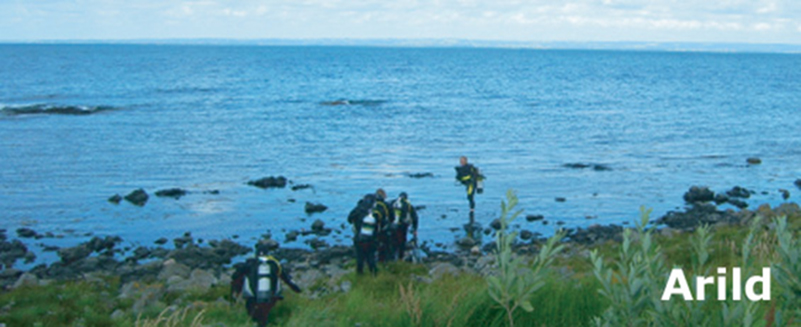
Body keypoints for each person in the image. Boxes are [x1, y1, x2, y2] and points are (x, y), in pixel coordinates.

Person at [231, 242, 302, 327]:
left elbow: (235, 276)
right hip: (271, 297)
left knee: (253, 311)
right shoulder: (274, 264)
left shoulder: (250, 263)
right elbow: (286, 278)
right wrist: (297, 290)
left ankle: (254, 318)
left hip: (253, 297)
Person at [348, 193, 379, 275]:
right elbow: (379, 224)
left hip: (359, 237)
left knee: (360, 258)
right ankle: (374, 275)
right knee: (371, 258)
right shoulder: (374, 211)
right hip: (371, 239)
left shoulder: (358, 209)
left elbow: (349, 219)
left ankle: (359, 275)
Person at [391, 192, 419, 261]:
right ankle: (400, 257)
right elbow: (415, 218)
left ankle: (392, 257)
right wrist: (415, 229)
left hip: (393, 226)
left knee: (393, 241)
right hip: (403, 226)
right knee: (402, 241)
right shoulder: (408, 205)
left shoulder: (393, 203)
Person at [455, 156, 483, 224]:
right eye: (461, 161)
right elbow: (459, 177)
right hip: (468, 184)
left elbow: (478, 176)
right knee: (469, 196)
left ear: (466, 161)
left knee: (470, 195)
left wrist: (479, 187)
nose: (461, 162)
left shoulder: (471, 168)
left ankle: (472, 209)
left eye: (463, 161)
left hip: (472, 183)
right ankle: (471, 209)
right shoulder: (460, 169)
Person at [373, 188, 395, 262]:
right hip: (383, 229)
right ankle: (387, 260)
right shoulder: (386, 205)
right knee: (386, 245)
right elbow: (392, 217)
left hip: (372, 229)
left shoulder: (372, 204)